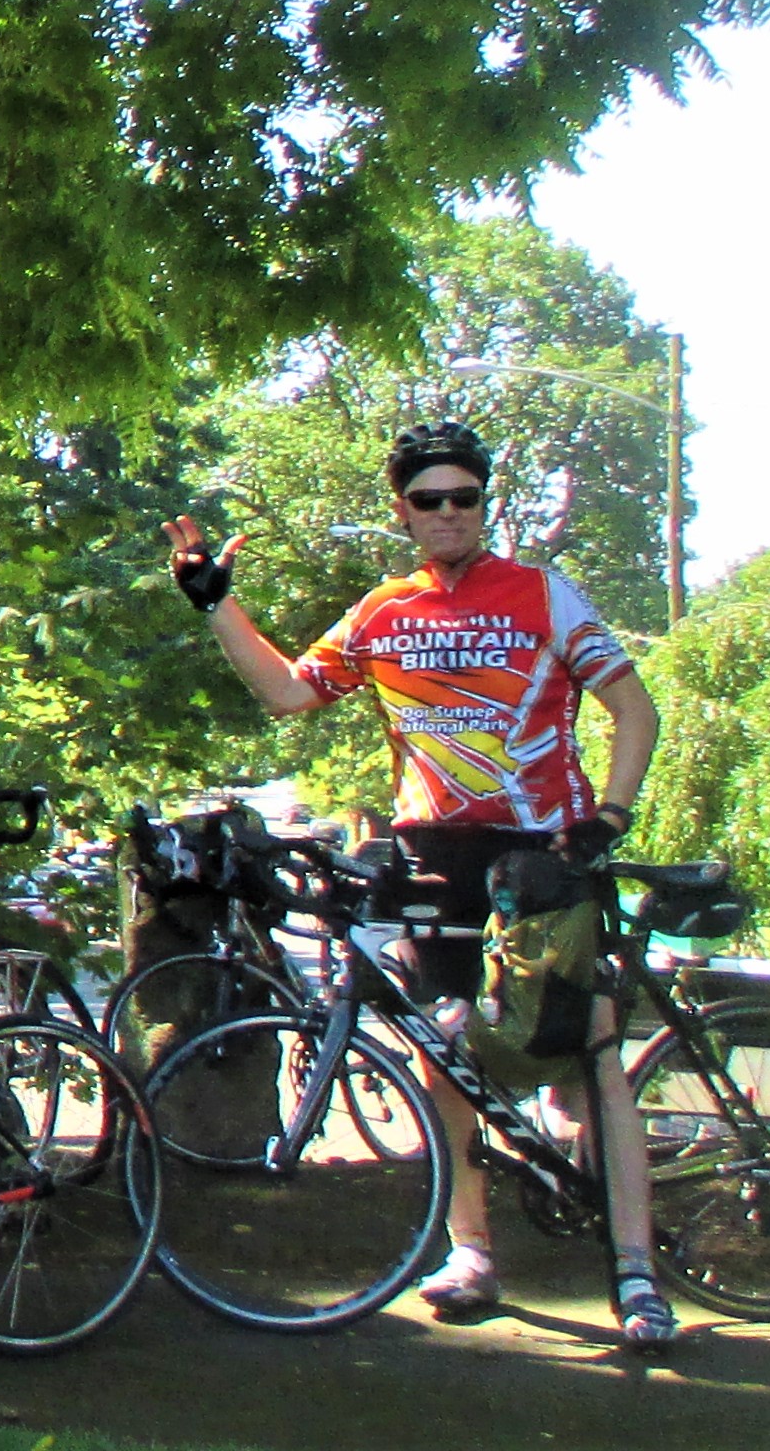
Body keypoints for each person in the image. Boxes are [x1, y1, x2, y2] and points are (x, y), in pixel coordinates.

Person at [170, 419, 672, 1347]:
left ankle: (638, 1274)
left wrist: (610, 815)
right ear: (402, 512)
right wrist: (215, 604)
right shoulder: (383, 610)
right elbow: (288, 694)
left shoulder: (543, 594)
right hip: (434, 857)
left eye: (466, 498)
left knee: (592, 1047)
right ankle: (471, 1251)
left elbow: (633, 709)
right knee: (448, 1056)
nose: (448, 514)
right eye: (428, 500)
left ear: (486, 502)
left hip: (542, 859)